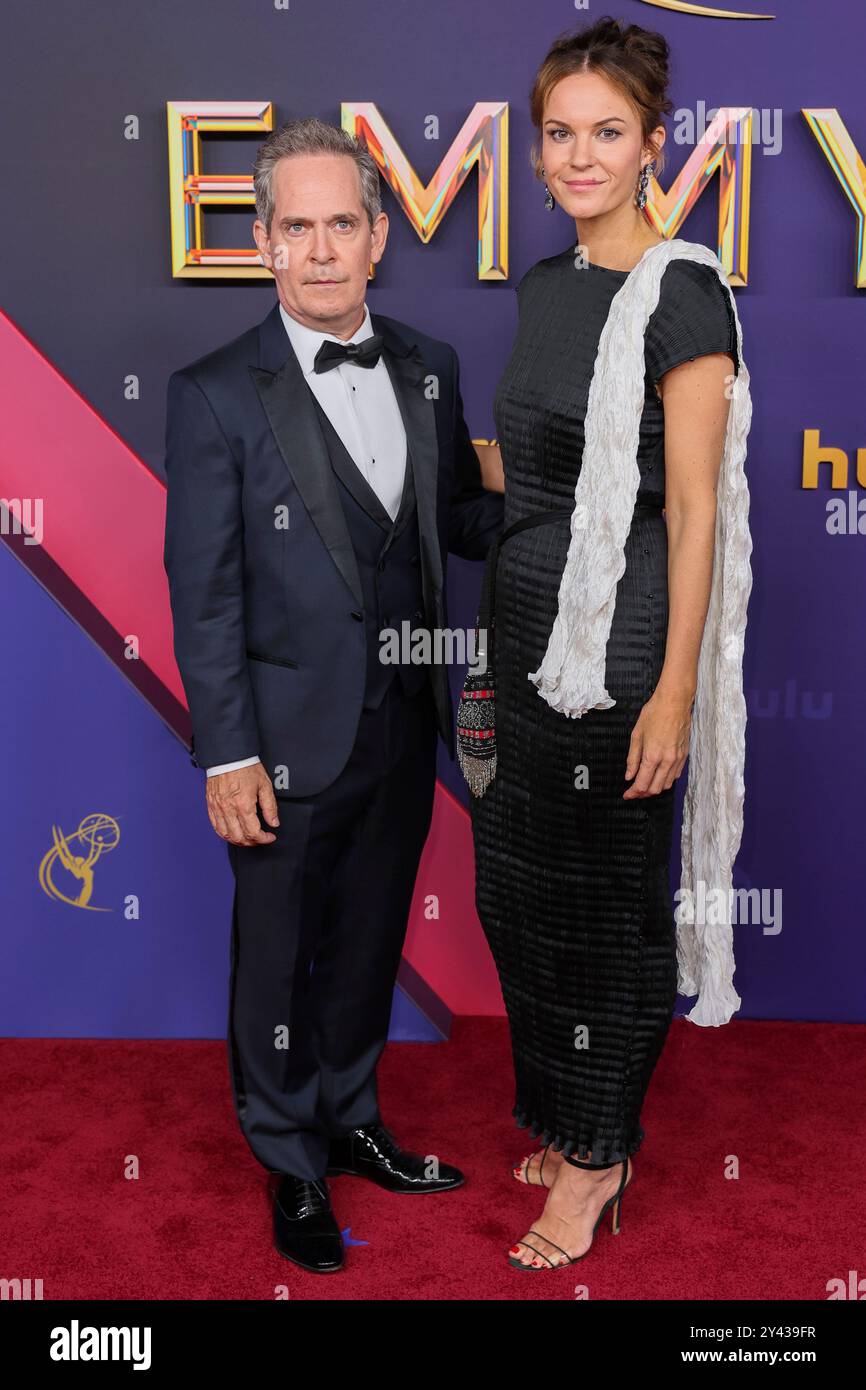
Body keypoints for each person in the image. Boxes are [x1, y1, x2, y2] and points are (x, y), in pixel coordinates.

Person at [162, 117, 504, 1274]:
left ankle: (351, 1117)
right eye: (294, 228)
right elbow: (201, 592)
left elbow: (452, 520)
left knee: (366, 938)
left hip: (403, 723)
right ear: (263, 244)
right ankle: (288, 1158)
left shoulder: (426, 364)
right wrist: (226, 753)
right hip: (280, 739)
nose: (318, 250)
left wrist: (580, 487)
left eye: (340, 224)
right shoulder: (212, 394)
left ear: (375, 242)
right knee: (276, 951)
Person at [466, 17, 750, 1271]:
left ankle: (595, 1162)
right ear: (535, 150)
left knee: (600, 910)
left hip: (621, 637)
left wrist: (674, 689)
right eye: (559, 134)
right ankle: (565, 1113)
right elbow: (535, 467)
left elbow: (689, 510)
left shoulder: (681, 291)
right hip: (522, 631)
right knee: (516, 894)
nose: (579, 156)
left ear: (652, 145)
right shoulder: (543, 286)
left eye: (606, 134)